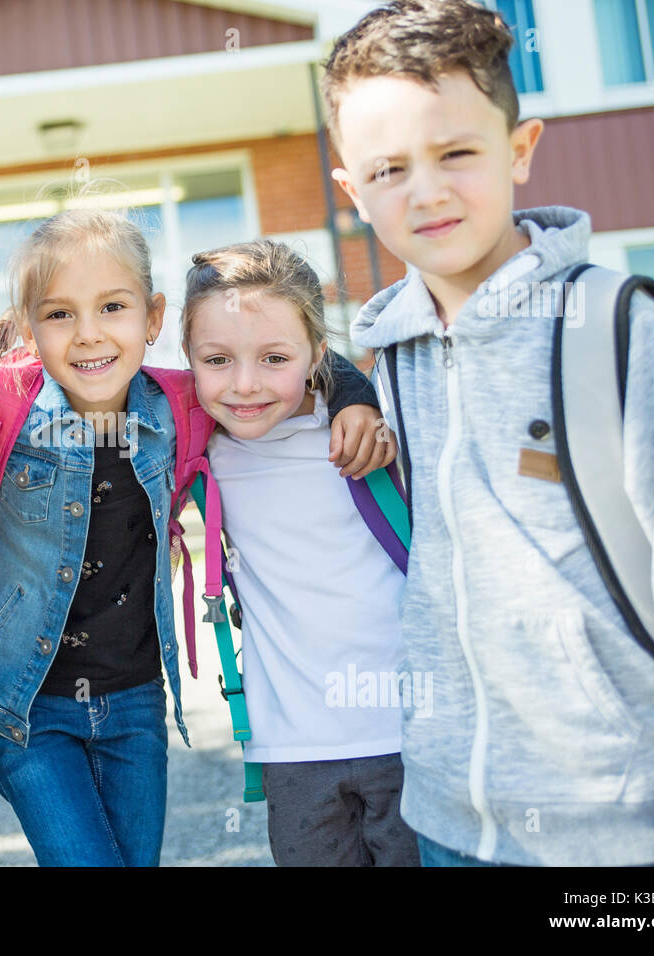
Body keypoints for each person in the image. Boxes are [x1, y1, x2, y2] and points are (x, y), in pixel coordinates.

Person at [328, 0, 654, 865]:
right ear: (353, 193)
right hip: (443, 821)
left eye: (457, 153)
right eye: (389, 169)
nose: (427, 191)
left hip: (623, 831)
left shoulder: (620, 330)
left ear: (520, 150)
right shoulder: (390, 353)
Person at [0, 208, 388, 866]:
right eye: (59, 314)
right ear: (30, 327)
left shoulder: (182, 406)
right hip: (21, 701)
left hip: (135, 699)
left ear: (151, 318)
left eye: (113, 307)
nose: (89, 335)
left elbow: (282, 347)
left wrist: (352, 392)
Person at [184, 238, 416, 866]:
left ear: (317, 353)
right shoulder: (199, 448)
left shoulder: (374, 432)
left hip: (412, 733)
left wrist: (356, 394)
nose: (245, 384)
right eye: (217, 359)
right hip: (293, 751)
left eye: (274, 357)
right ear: (188, 357)